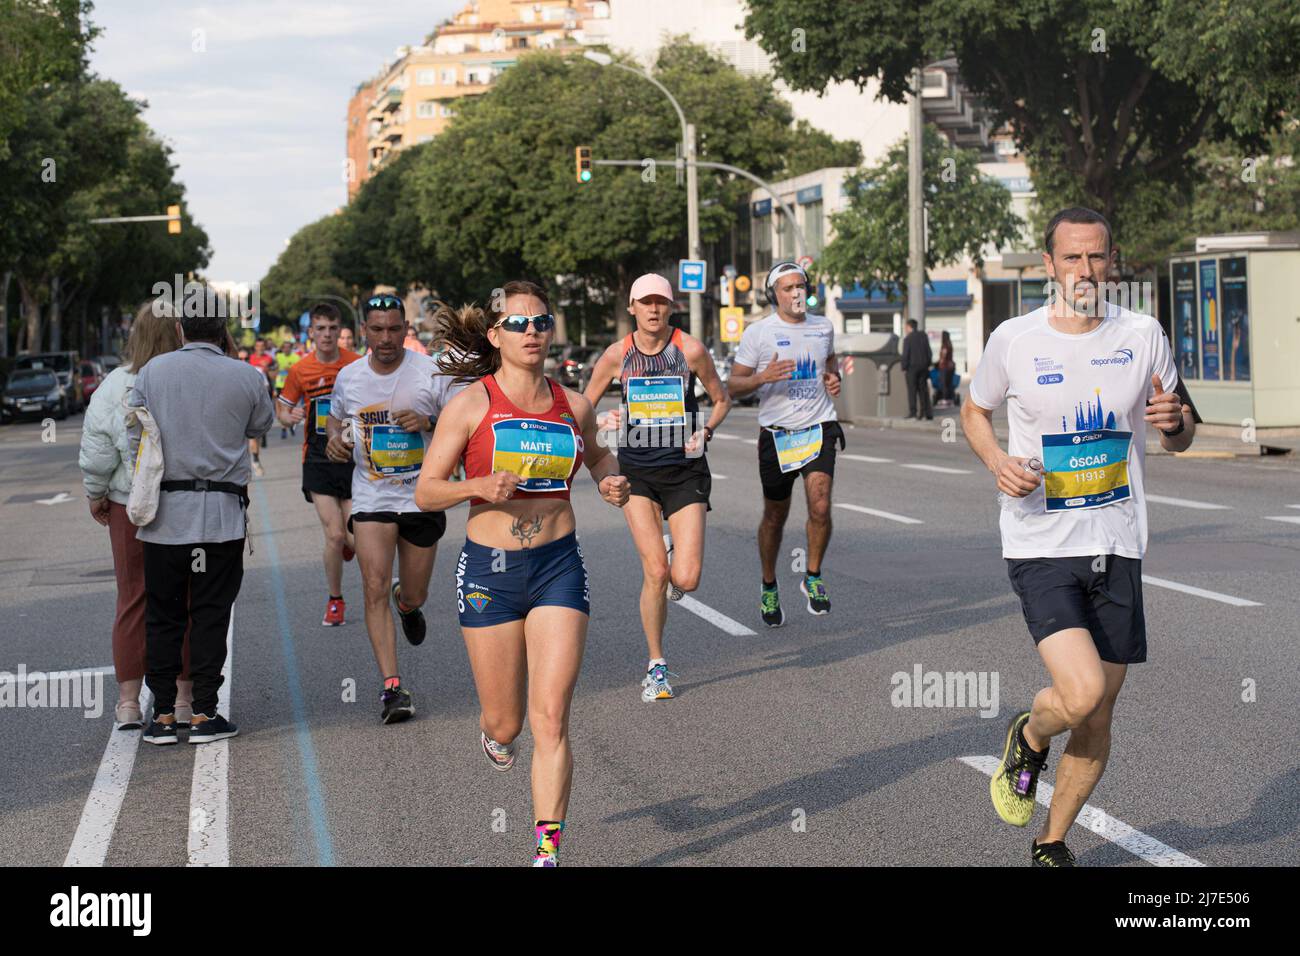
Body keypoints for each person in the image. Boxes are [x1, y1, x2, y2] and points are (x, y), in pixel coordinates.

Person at [961, 206, 1196, 867]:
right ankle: (1030, 737)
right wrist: (997, 462)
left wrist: (1175, 423)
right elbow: (973, 410)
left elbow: (1179, 433)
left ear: (1110, 260)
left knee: (1096, 716)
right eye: (1072, 258)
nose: (1085, 270)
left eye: (1096, 257)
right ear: (1048, 265)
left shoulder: (1144, 333)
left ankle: (1051, 840)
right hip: (1042, 542)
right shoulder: (1016, 338)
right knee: (1082, 690)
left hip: (1119, 542)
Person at [415, 280, 629, 867]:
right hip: (491, 570)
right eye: (518, 324)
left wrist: (609, 479)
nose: (531, 332)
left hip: (558, 566)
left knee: (552, 714)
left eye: (540, 322)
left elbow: (596, 453)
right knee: (508, 721)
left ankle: (546, 849)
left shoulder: (573, 404)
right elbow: (426, 491)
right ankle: (495, 736)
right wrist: (477, 486)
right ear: (496, 335)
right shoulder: (470, 405)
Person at [129, 303, 275, 745]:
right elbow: (261, 423)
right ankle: (206, 713)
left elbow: (135, 431)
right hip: (220, 519)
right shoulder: (247, 375)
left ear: (179, 328)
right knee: (211, 615)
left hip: (166, 519)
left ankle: (163, 715)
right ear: (224, 332)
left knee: (164, 616)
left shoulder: (153, 372)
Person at [582, 272, 730, 701]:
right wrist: (602, 420)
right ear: (632, 308)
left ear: (671, 308)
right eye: (644, 302)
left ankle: (672, 554)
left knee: (687, 577)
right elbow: (582, 405)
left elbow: (721, 399)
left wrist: (706, 431)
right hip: (638, 472)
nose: (653, 309)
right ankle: (657, 666)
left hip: (684, 470)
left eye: (660, 303)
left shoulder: (690, 350)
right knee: (656, 572)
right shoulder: (616, 355)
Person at [325, 293, 456, 724]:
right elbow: (337, 419)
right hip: (372, 497)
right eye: (377, 329)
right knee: (373, 585)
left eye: (394, 329)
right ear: (365, 330)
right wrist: (335, 441)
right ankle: (392, 688)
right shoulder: (349, 376)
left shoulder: (429, 372)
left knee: (411, 591)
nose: (386, 338)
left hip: (422, 496)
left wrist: (429, 423)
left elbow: (461, 423)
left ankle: (408, 602)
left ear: (406, 329)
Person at [79, 302, 193, 728]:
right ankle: (184, 697)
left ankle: (129, 702)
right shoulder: (186, 378)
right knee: (184, 598)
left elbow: (97, 450)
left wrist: (96, 493)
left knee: (133, 599)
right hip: (182, 503)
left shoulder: (114, 384)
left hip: (130, 504)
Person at [728, 261, 842, 626]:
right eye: (789, 288)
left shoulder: (823, 326)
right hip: (777, 435)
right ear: (773, 294)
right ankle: (768, 583)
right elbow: (733, 384)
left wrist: (833, 378)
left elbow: (831, 361)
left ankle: (812, 576)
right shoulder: (759, 333)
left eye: (801, 287)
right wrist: (763, 376)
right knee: (775, 517)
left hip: (818, 427)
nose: (797, 294)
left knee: (820, 505)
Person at [277, 304, 361, 626]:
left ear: (339, 331)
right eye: (320, 328)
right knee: (335, 535)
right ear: (310, 332)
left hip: (352, 456)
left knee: (357, 536)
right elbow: (282, 409)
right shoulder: (300, 370)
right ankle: (335, 600)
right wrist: (289, 417)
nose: (326, 334)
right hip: (317, 458)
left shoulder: (356, 364)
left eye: (332, 328)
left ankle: (365, 569)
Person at [900, 318, 933, 420]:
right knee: (923, 390)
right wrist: (927, 364)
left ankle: (913, 412)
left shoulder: (908, 339)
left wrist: (904, 367)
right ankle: (925, 412)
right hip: (923, 367)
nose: (905, 329)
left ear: (909, 327)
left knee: (912, 390)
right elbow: (929, 352)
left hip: (912, 368)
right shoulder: (923, 336)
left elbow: (906, 355)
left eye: (906, 327)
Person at [274, 340, 302, 439]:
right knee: (282, 408)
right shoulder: (278, 357)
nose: (286, 349)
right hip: (280, 384)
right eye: (284, 347)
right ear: (282, 348)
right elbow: (274, 370)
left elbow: (299, 371)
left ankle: (290, 424)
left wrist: (290, 370)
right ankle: (284, 429)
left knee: (290, 407)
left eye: (288, 347)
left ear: (291, 348)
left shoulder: (296, 357)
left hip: (291, 385)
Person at [937, 330, 956, 406]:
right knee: (949, 383)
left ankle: (945, 399)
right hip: (950, 367)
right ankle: (950, 398)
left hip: (944, 366)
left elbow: (944, 354)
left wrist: (940, 361)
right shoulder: (950, 344)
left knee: (944, 383)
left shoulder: (944, 345)